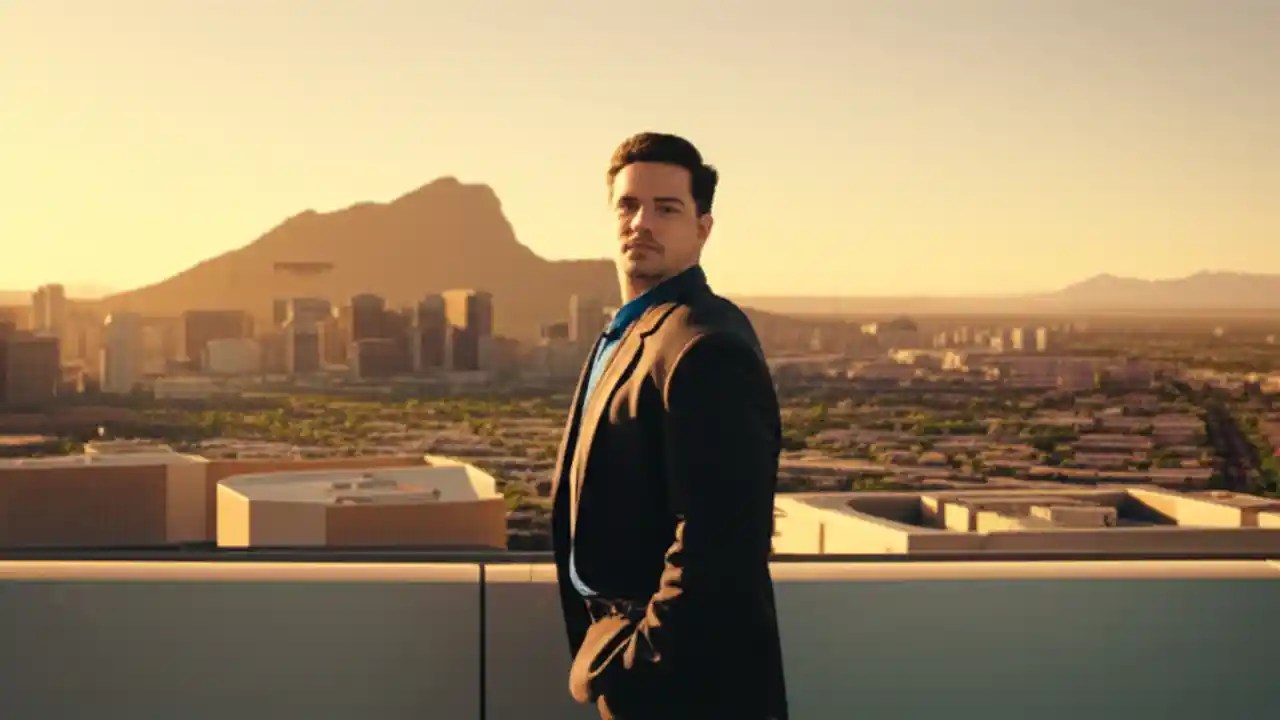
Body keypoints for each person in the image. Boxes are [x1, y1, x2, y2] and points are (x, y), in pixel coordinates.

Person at [549, 132, 788, 719]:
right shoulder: (636, 330)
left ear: (703, 228)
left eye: (666, 208)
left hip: (684, 689)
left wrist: (639, 666)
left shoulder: (704, 345)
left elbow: (719, 544)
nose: (641, 223)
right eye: (628, 206)